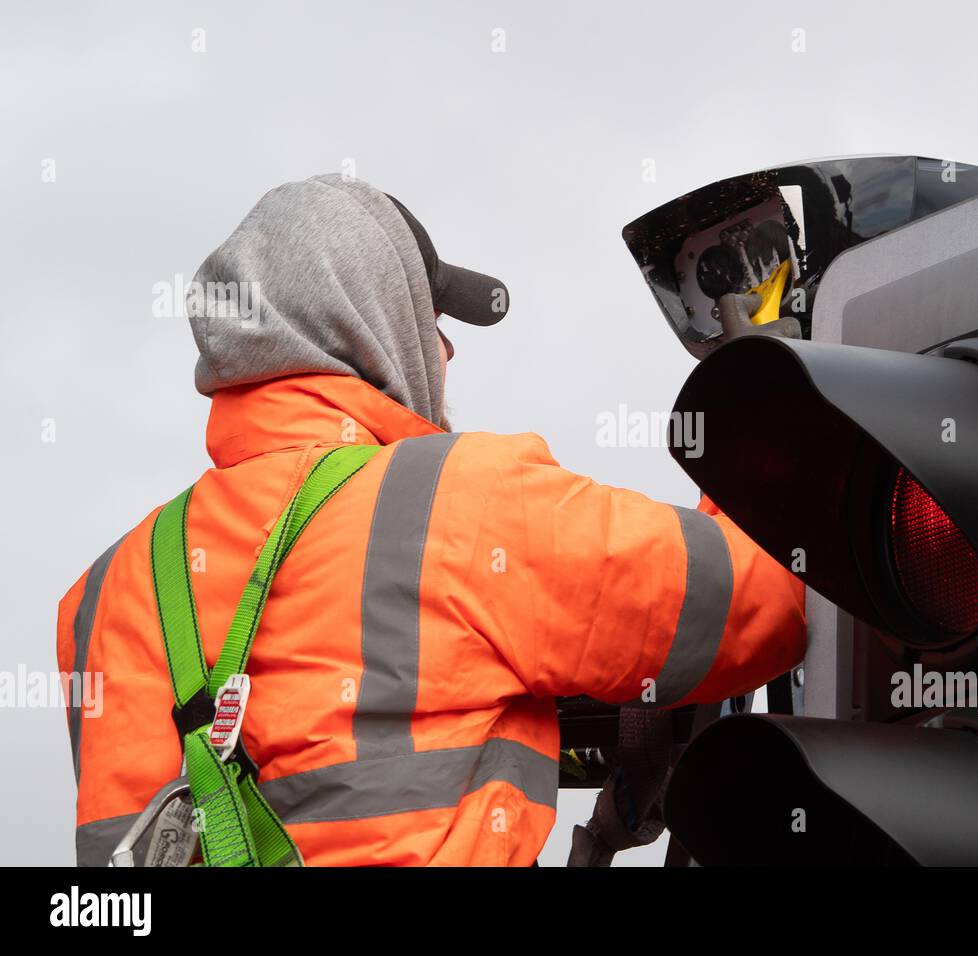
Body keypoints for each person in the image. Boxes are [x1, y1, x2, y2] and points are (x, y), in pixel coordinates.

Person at [56, 174, 806, 867]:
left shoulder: (102, 596)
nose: (445, 351)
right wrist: (772, 402)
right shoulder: (464, 505)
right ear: (371, 322)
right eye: (431, 320)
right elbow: (763, 602)